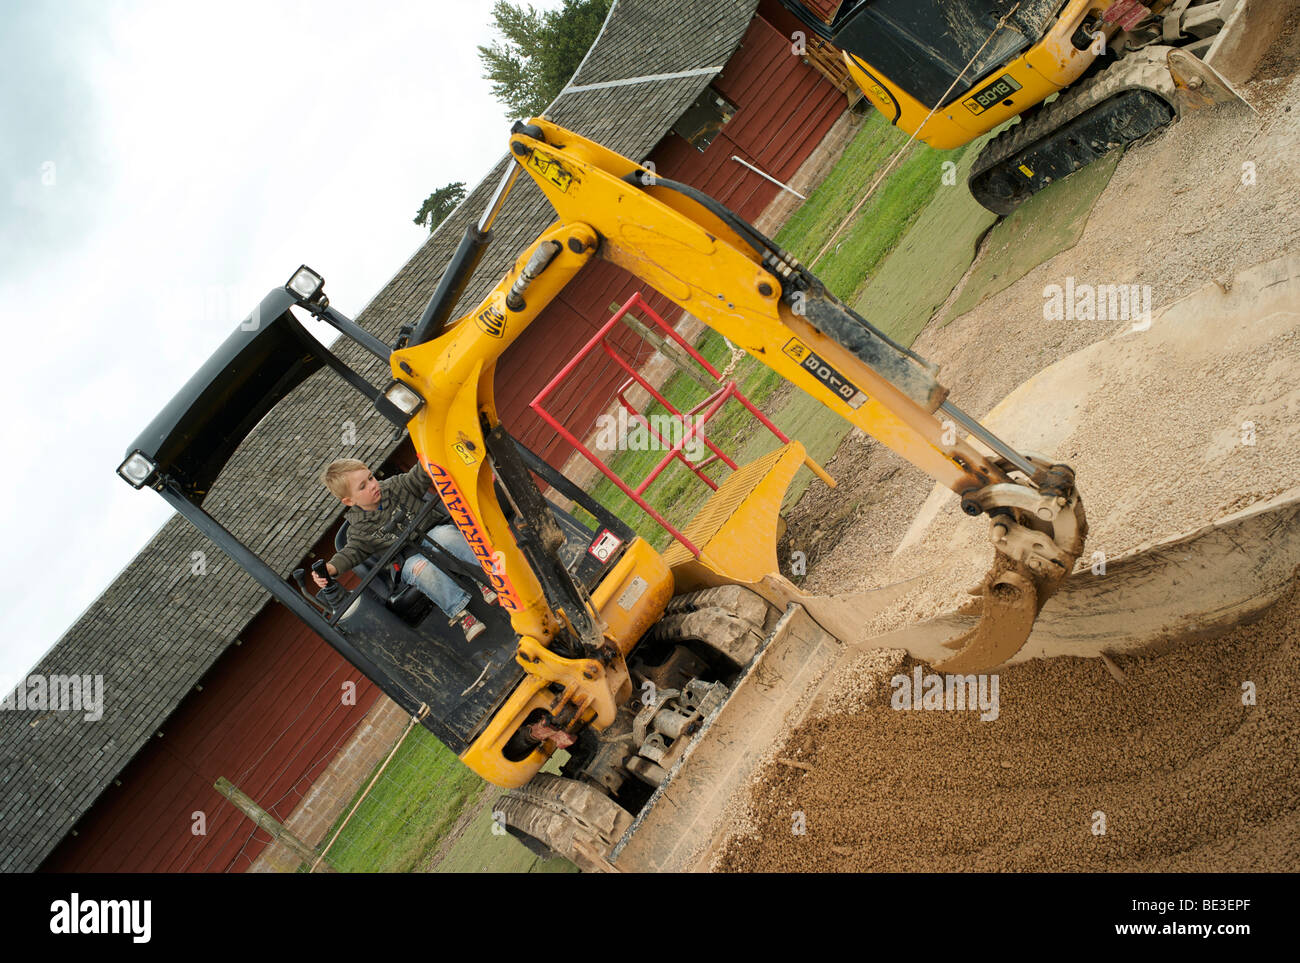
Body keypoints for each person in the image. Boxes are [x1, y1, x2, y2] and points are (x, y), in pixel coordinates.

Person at [314, 458, 496, 642]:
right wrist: (330, 569)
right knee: (421, 569)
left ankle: (484, 575)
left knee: (444, 537)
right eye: (362, 486)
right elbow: (350, 553)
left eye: (370, 478)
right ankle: (461, 614)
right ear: (348, 500)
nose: (372, 485)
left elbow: (417, 477)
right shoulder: (358, 531)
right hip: (407, 559)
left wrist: (427, 456)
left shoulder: (395, 486)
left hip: (430, 532)